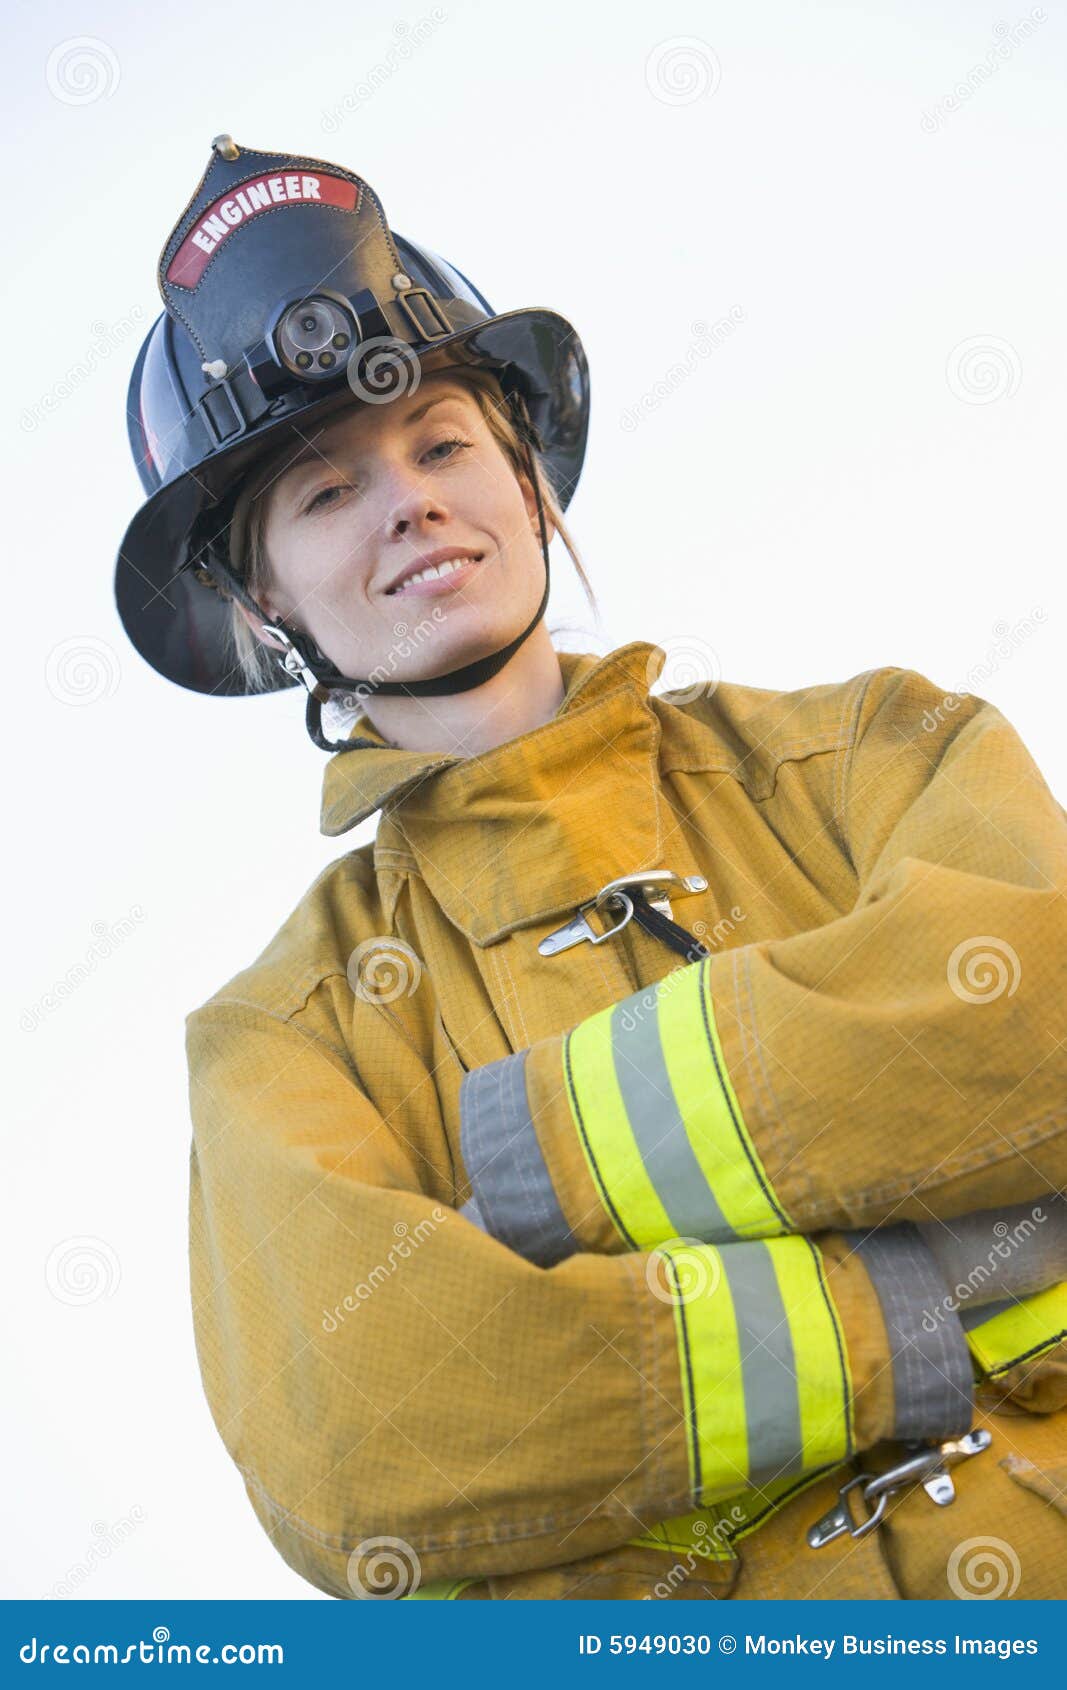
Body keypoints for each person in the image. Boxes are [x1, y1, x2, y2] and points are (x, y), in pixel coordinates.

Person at [115, 134, 1067, 1602]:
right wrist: (904, 1304)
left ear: (524, 470)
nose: (410, 503)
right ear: (261, 599)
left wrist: (535, 1164)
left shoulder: (883, 753)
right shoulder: (286, 1042)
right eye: (322, 494)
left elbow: (1037, 1019)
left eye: (441, 444)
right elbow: (372, 1423)